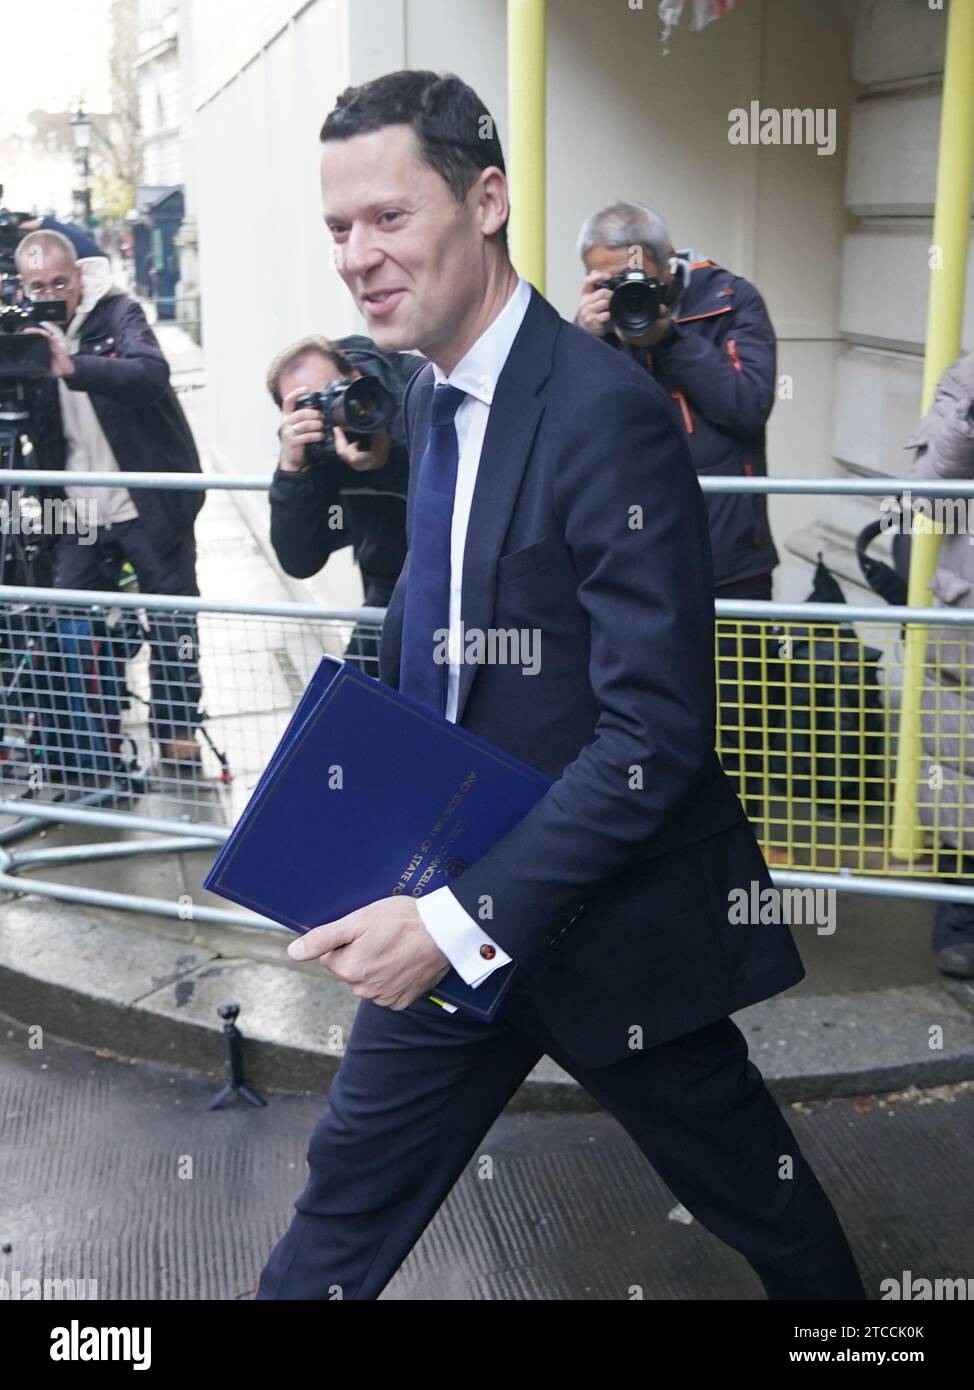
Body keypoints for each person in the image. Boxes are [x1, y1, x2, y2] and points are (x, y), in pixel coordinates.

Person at [256, 69, 865, 1302]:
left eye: (387, 217)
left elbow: (656, 736)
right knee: (337, 1219)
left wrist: (451, 921)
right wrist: (355, 835)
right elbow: (443, 654)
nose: (356, 258)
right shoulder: (429, 396)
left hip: (614, 934)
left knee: (764, 1204)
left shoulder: (607, 415)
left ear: (486, 200)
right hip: (444, 926)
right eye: (337, 227)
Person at [575, 202, 782, 853]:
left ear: (668, 269)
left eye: (635, 281)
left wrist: (666, 337)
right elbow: (568, 422)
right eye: (605, 283)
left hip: (731, 559)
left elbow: (748, 404)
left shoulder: (730, 299)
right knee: (645, 717)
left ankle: (739, 860)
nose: (625, 294)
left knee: (741, 722)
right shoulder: (592, 328)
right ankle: (661, 853)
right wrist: (583, 337)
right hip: (631, 560)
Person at [16, 228, 206, 766]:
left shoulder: (117, 311)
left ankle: (177, 726)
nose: (49, 293)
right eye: (36, 285)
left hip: (145, 498)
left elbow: (151, 373)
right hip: (75, 508)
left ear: (78, 276)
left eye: (58, 281)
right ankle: (93, 734)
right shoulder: (21, 329)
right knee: (72, 615)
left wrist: (72, 366)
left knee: (171, 621)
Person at [267, 334, 421, 672]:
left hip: (465, 581)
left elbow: (463, 485)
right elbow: (301, 560)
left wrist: (387, 462)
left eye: (335, 391)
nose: (334, 410)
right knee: (350, 710)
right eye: (313, 404)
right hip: (389, 586)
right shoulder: (316, 450)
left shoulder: (414, 389)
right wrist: (293, 471)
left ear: (353, 375)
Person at [906, 348, 974, 979]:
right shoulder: (966, 378)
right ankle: (961, 923)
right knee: (959, 766)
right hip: (968, 614)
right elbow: (928, 492)